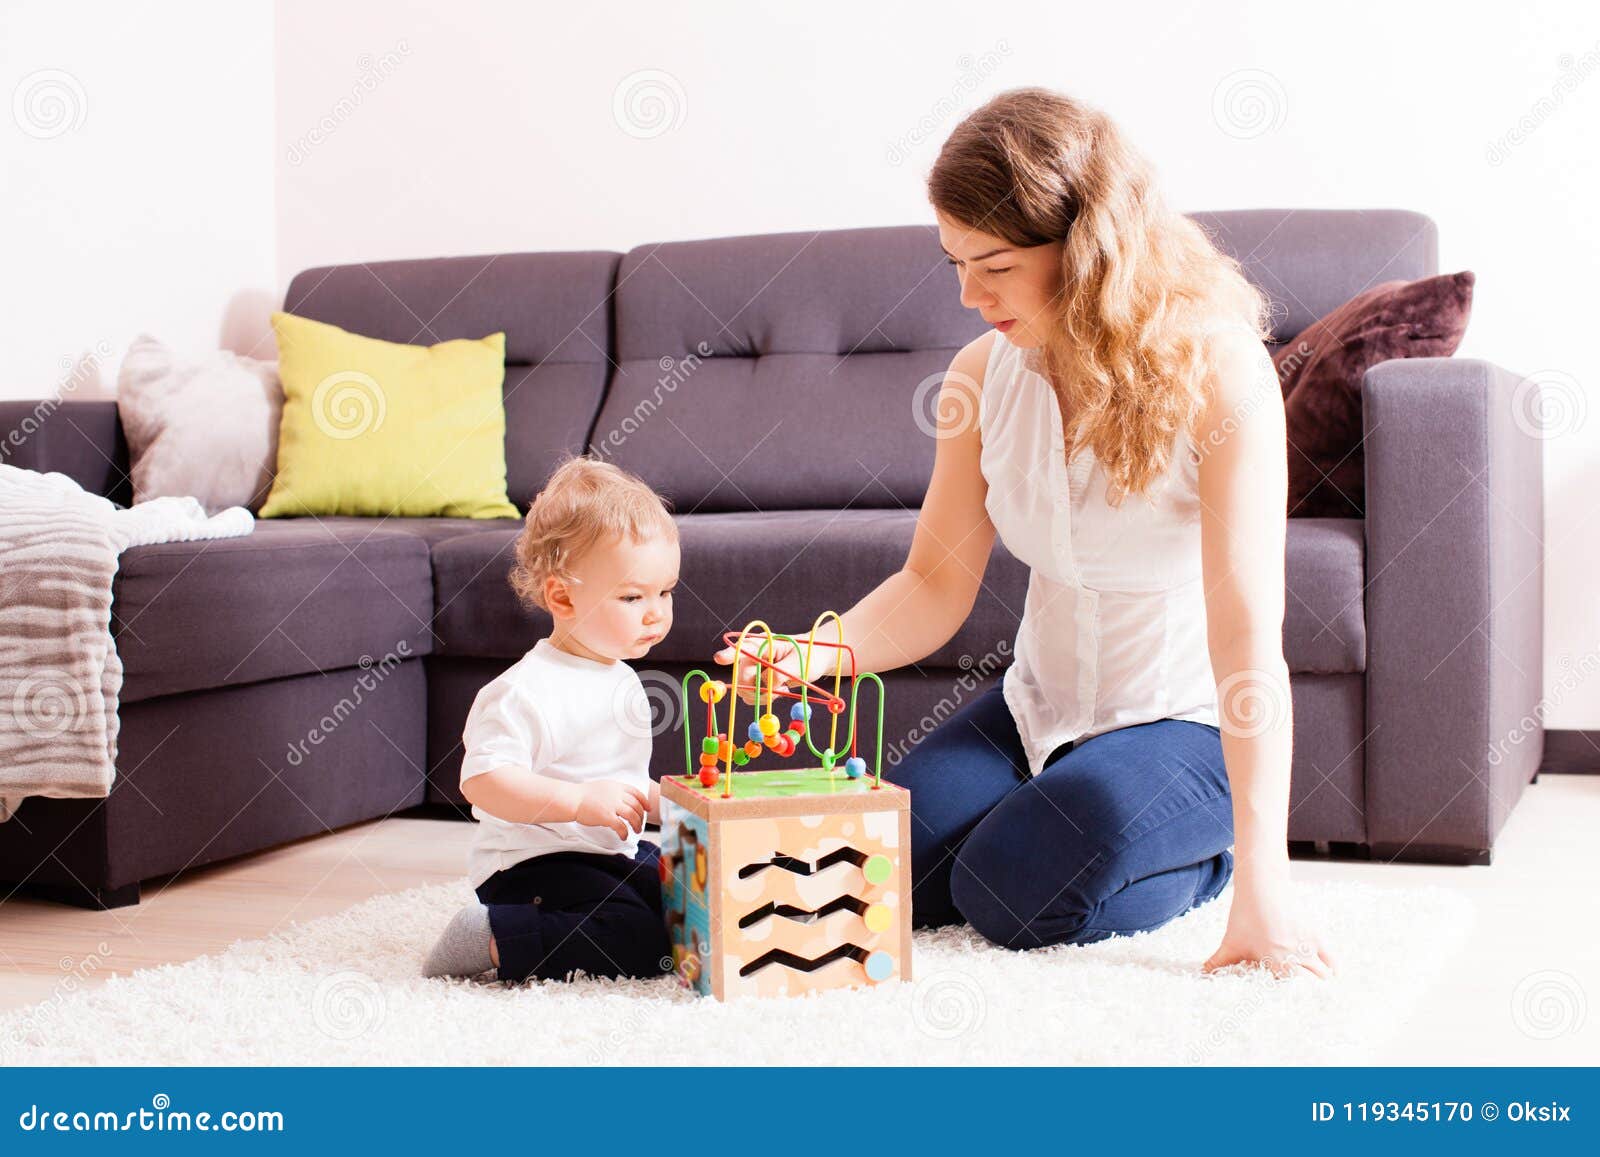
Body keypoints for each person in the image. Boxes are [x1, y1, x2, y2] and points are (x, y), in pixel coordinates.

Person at [716, 88, 1335, 979]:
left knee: (1008, 891)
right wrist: (813, 655)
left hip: (1185, 723)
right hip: (1035, 707)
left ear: (1086, 251)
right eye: (954, 262)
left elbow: (1246, 641)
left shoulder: (1220, 372)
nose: (969, 296)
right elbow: (932, 582)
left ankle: (1212, 856)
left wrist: (1266, 891)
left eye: (994, 264)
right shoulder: (980, 377)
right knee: (867, 868)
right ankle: (1059, 808)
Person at [422, 456, 678, 982]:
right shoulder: (525, 689)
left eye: (665, 592)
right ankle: (492, 938)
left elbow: (618, 778)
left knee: (689, 898)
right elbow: (484, 782)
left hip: (604, 854)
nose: (655, 612)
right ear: (562, 595)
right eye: (633, 596)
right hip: (531, 865)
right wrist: (578, 803)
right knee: (644, 938)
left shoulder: (621, 677)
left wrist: (664, 798)